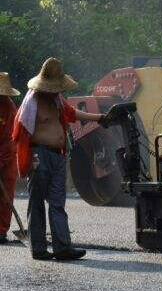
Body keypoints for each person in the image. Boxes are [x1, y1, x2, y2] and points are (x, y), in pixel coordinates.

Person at [12, 58, 105, 261]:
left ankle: (62, 247)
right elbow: (19, 132)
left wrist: (99, 118)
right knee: (36, 202)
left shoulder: (58, 100)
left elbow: (72, 114)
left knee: (57, 202)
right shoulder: (31, 103)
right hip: (39, 155)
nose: (56, 90)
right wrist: (26, 161)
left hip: (58, 155)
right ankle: (38, 249)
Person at [0, 73, 19, 244]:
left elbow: (10, 139)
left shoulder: (9, 107)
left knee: (5, 195)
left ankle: (1, 231)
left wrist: (1, 161)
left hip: (7, 157)